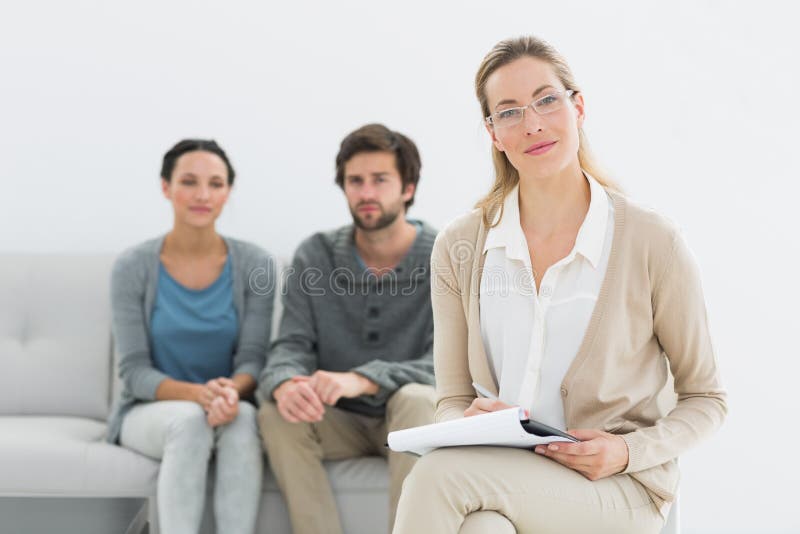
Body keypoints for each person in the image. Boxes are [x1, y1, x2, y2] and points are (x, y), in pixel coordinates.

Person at [393, 36, 728, 534]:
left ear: (579, 107)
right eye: (509, 112)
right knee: (480, 528)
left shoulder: (652, 240)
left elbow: (707, 398)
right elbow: (451, 399)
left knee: (436, 477)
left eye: (547, 100)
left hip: (618, 487)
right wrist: (467, 425)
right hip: (502, 473)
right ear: (493, 133)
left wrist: (627, 450)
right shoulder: (460, 246)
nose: (532, 124)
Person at [257, 123, 437, 534]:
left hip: (408, 416)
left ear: (408, 188)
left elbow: (445, 366)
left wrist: (362, 379)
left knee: (418, 399)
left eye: (380, 180)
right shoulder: (316, 254)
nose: (366, 192)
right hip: (338, 419)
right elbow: (290, 345)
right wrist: (285, 382)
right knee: (275, 412)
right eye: (355, 181)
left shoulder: (443, 256)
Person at [107, 139, 276, 534]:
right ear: (166, 187)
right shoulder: (132, 266)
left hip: (229, 404)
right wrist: (199, 396)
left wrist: (230, 392)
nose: (203, 195)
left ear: (228, 192)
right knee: (190, 421)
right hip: (150, 411)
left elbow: (253, 359)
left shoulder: (256, 264)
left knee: (244, 418)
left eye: (215, 184)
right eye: (189, 182)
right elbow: (134, 372)